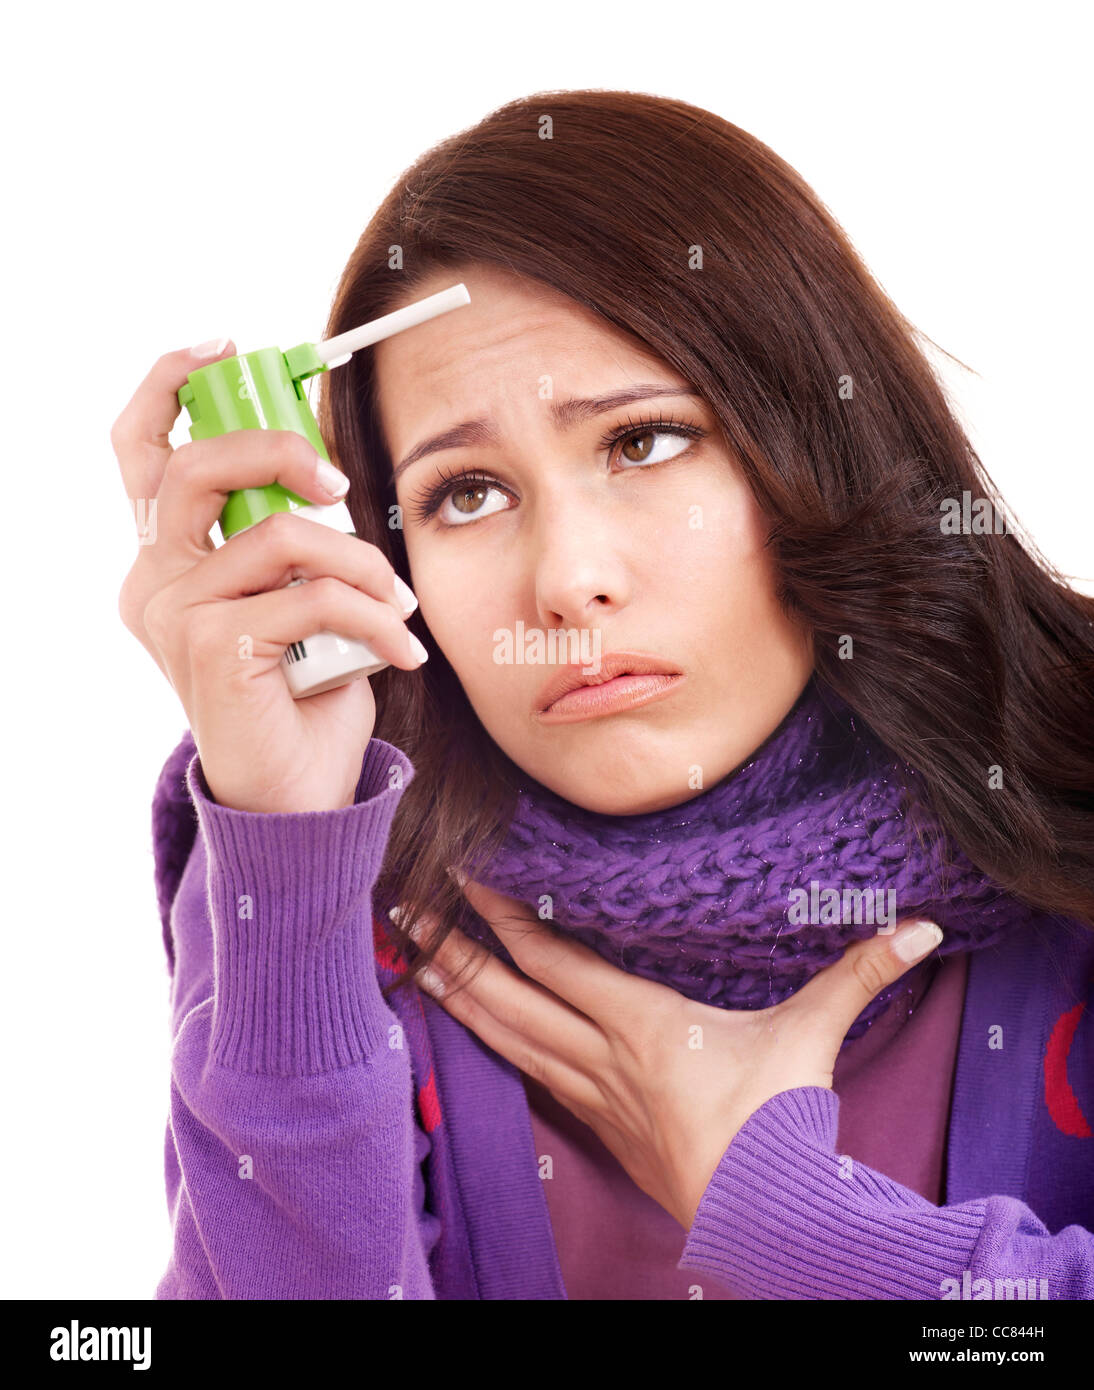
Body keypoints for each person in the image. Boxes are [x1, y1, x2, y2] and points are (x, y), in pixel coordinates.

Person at [114, 89, 1094, 1300]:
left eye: (641, 443)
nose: (569, 581)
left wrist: (789, 1215)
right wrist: (289, 845)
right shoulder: (348, 888)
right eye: (464, 493)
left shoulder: (1070, 788)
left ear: (813, 449)